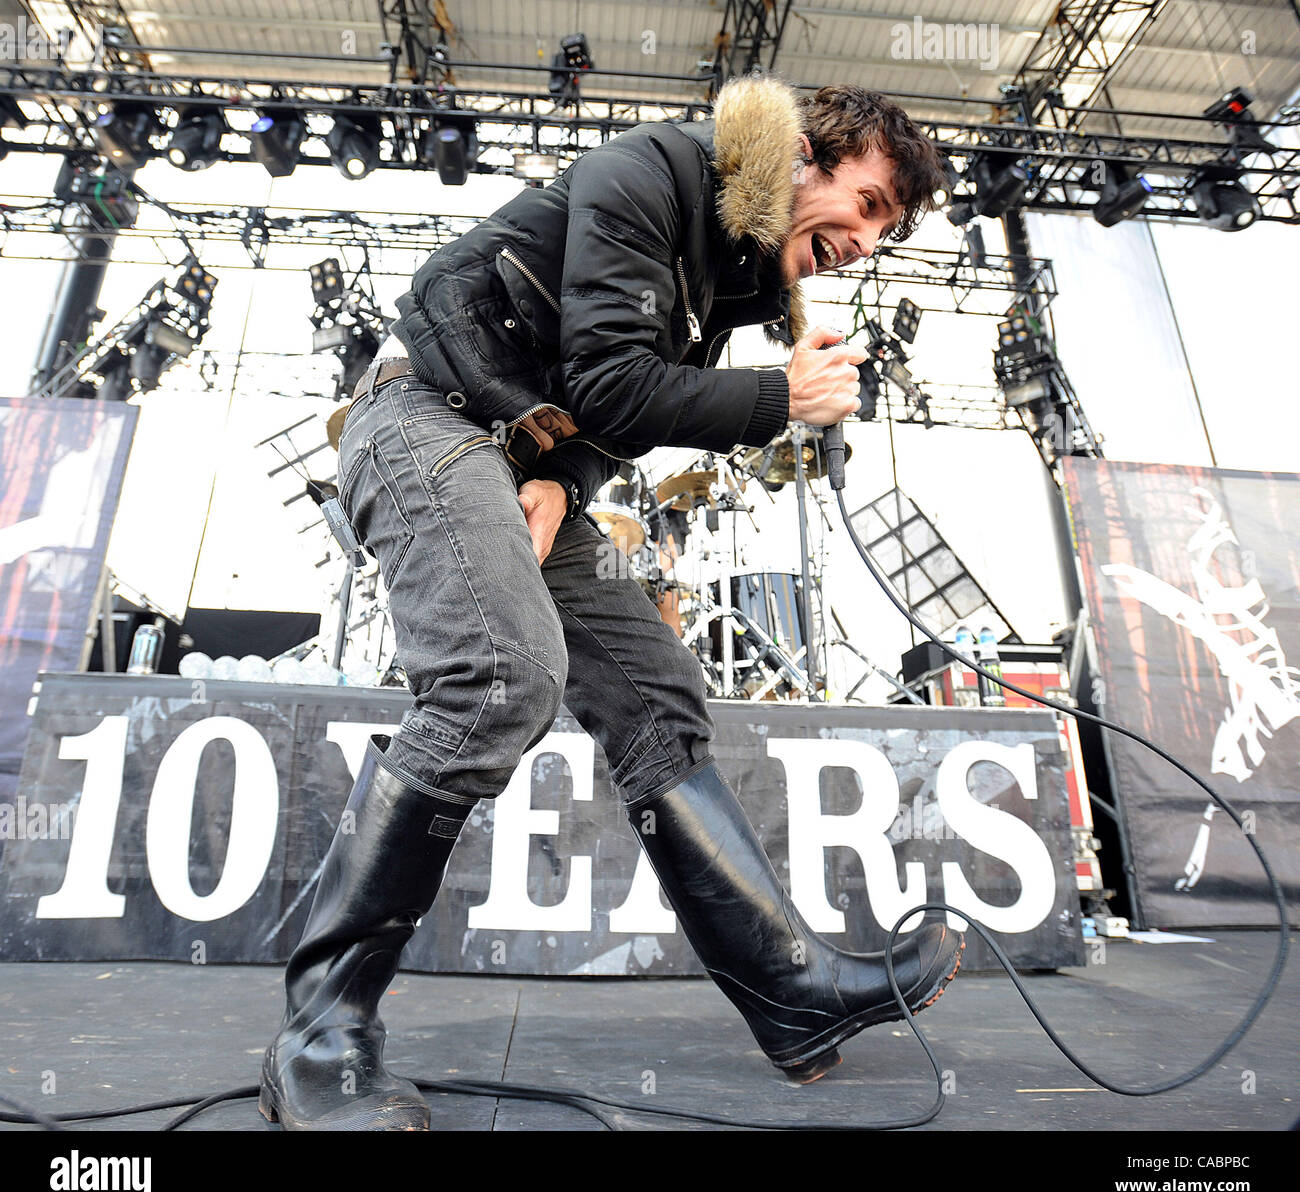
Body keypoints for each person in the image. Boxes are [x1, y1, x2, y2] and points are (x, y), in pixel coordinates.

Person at [260, 73, 963, 1131]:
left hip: (512, 457)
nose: (868, 242)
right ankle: (319, 1033)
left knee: (656, 689)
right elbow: (612, 383)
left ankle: (789, 993)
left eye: (887, 231)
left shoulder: (728, 277)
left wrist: (566, 480)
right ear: (808, 156)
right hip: (419, 416)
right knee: (500, 678)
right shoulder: (658, 169)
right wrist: (782, 399)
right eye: (867, 206)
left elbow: (607, 424)